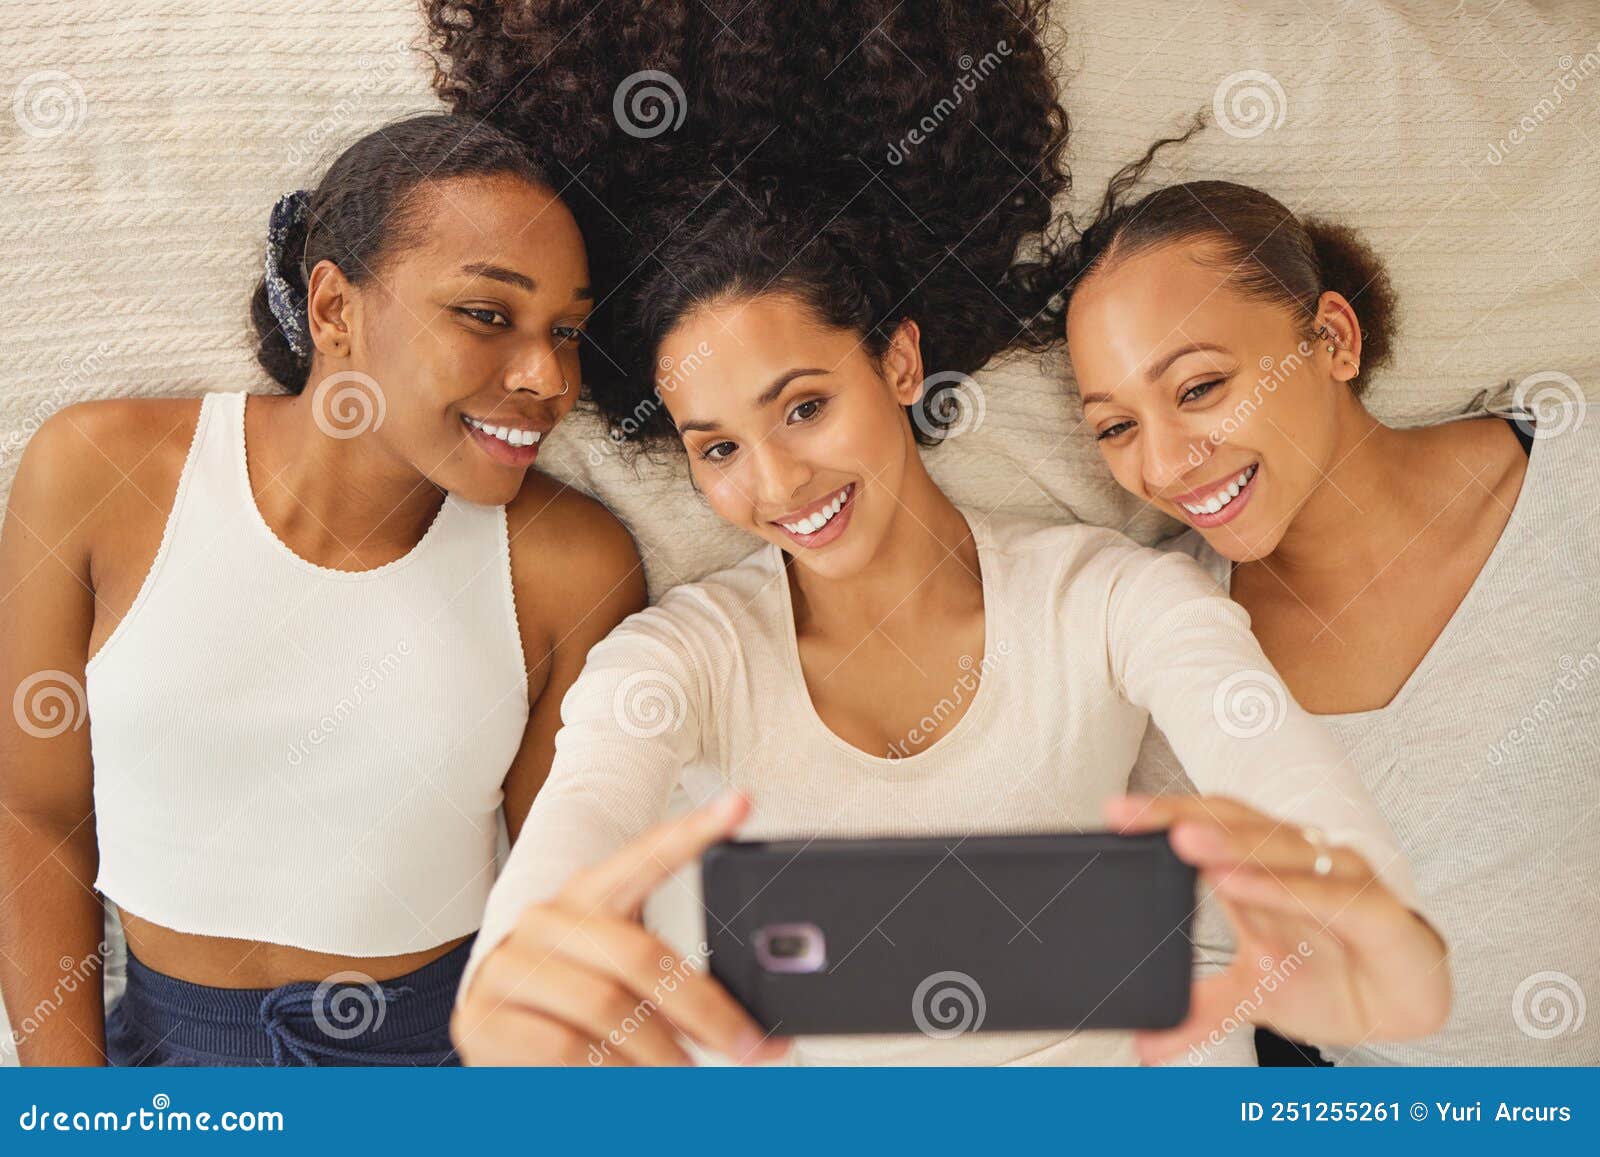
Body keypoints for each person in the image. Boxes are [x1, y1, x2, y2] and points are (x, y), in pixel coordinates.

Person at [427, 4, 1449, 1066]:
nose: (776, 480)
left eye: (804, 406)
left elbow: (1266, 754)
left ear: (900, 366)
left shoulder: (1109, 601)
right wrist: (513, 968)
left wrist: (1370, 911)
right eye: (717, 447)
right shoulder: (681, 656)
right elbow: (588, 798)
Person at [0, 114, 644, 1065]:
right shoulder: (98, 471)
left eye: (567, 331)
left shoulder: (570, 564)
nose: (547, 376)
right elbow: (33, 814)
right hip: (157, 1067)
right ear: (335, 307)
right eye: (486, 314)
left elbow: (559, 897)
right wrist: (73, 1109)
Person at [1048, 138, 1599, 1064]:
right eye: (1115, 427)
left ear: (1332, 340)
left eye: (1201, 387)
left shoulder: (1573, 480)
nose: (1164, 462)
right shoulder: (1174, 663)